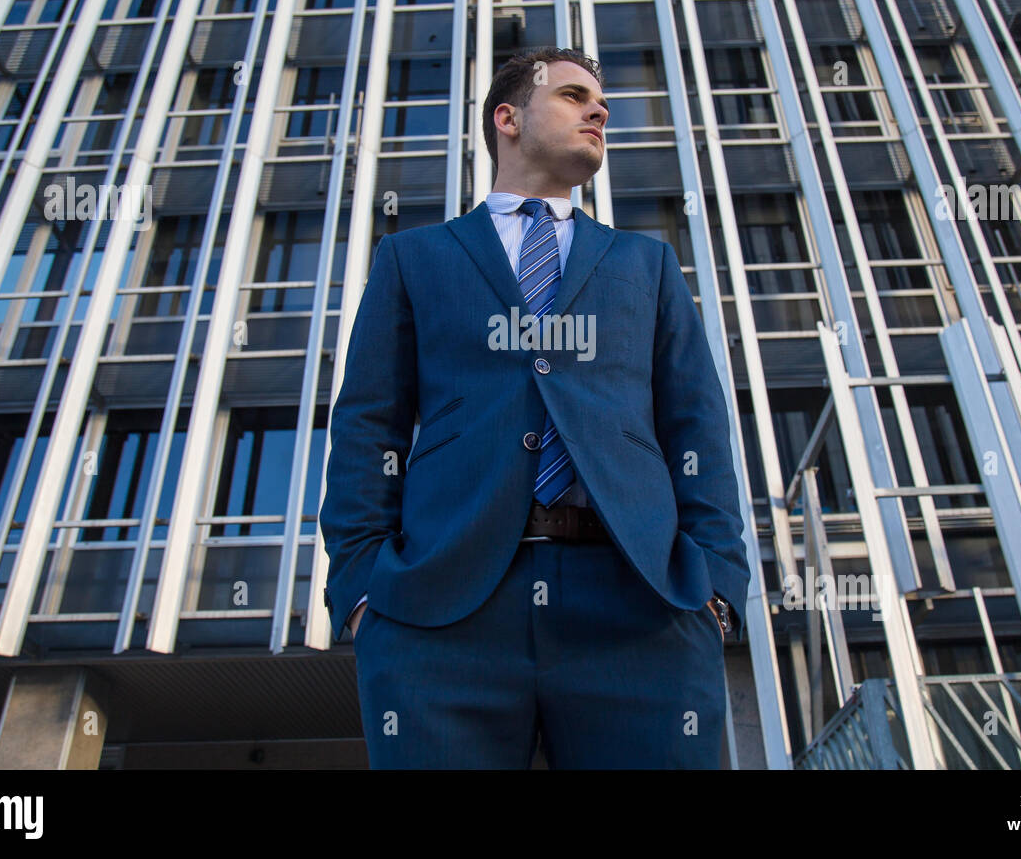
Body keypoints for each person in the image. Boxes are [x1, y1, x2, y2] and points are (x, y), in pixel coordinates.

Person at [319, 46, 750, 768]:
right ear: (508, 118)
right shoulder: (413, 258)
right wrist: (365, 592)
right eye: (574, 95)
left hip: (639, 608)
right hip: (441, 612)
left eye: (603, 103)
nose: (599, 111)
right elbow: (367, 427)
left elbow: (696, 427)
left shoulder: (647, 265)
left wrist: (716, 590)